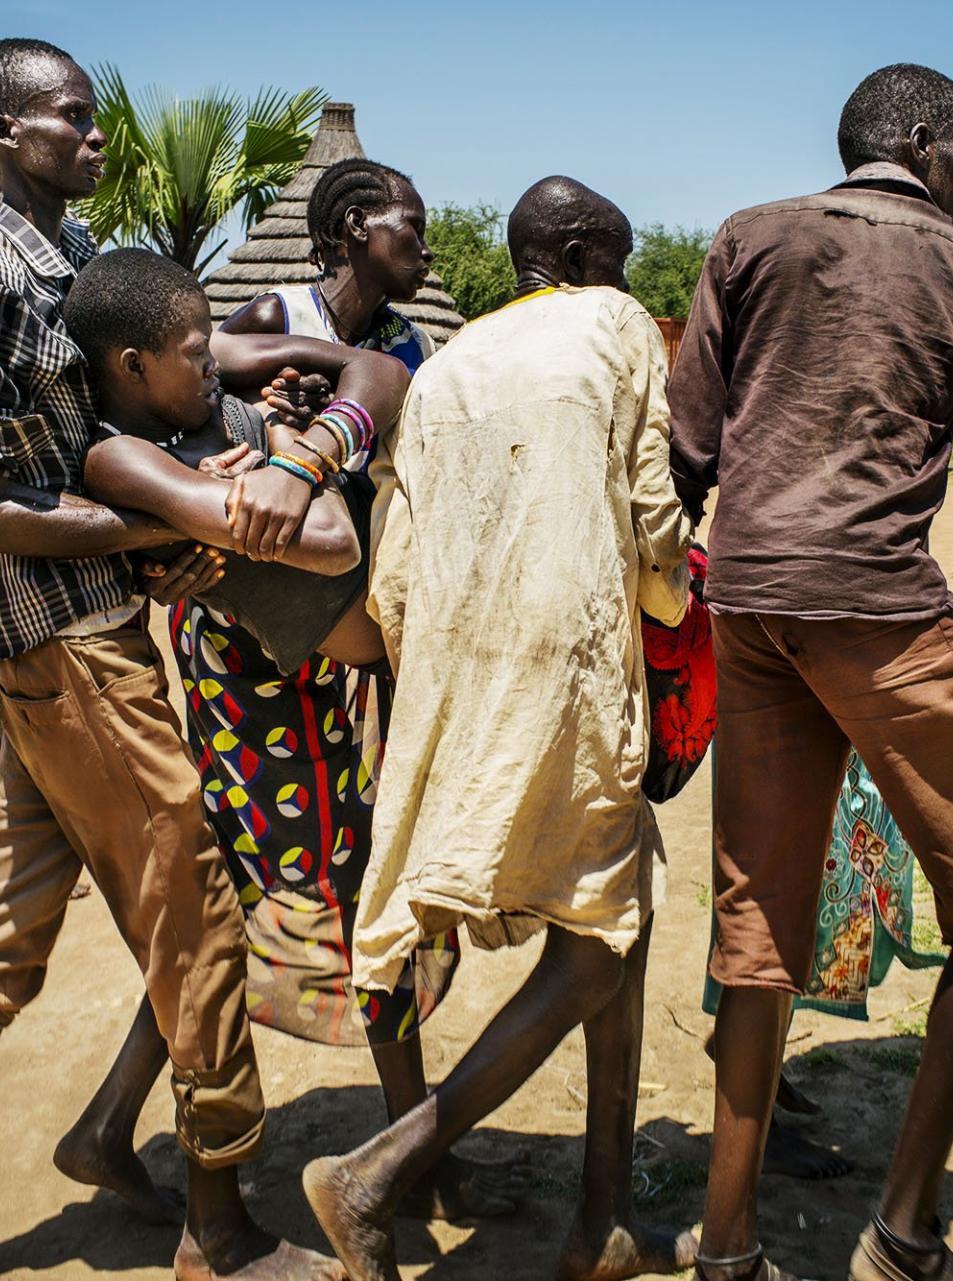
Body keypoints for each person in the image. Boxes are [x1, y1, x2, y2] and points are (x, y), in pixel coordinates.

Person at [0, 40, 343, 1281]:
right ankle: (219, 1234)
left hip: (57, 660)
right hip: (73, 654)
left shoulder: (62, 264)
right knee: (199, 917)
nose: (95, 135)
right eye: (70, 118)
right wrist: (182, 521)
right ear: (2, 132)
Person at [670, 65, 953, 1281]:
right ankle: (905, 1234)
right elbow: (914, 443)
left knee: (759, 933)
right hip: (878, 613)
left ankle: (727, 1246)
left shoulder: (746, 235)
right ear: (917, 140)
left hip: (747, 605)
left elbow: (692, 444)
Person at [300, 176, 697, 1281]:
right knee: (594, 946)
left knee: (618, 915)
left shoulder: (451, 361)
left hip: (461, 674)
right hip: (569, 666)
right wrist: (675, 599)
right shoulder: (615, 325)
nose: (622, 277)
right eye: (615, 255)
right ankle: (377, 1173)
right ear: (575, 252)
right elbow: (655, 515)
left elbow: (402, 566)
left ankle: (602, 1222)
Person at [207, 158, 517, 1221]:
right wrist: (321, 360)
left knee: (366, 880)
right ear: (349, 229)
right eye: (409, 227)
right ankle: (165, 1138)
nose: (424, 246)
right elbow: (208, 361)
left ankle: (408, 1149)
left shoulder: (408, 348)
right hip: (257, 650)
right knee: (264, 888)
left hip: (359, 650)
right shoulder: (276, 312)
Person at [699, 606, 953, 1183]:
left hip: (825, 690)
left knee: (812, 911)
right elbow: (840, 607)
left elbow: (869, 587)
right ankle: (755, 1126)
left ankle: (755, 1076)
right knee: (789, 914)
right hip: (819, 698)